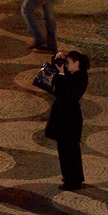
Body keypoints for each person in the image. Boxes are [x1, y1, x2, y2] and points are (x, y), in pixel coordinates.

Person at [44, 50, 89, 190]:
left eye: (68, 63)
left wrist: (62, 75)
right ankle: (72, 177)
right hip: (66, 119)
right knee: (67, 150)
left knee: (69, 151)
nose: (66, 65)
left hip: (70, 121)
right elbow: (56, 70)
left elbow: (64, 93)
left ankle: (72, 181)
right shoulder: (74, 73)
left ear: (76, 63)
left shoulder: (80, 78)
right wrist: (58, 59)